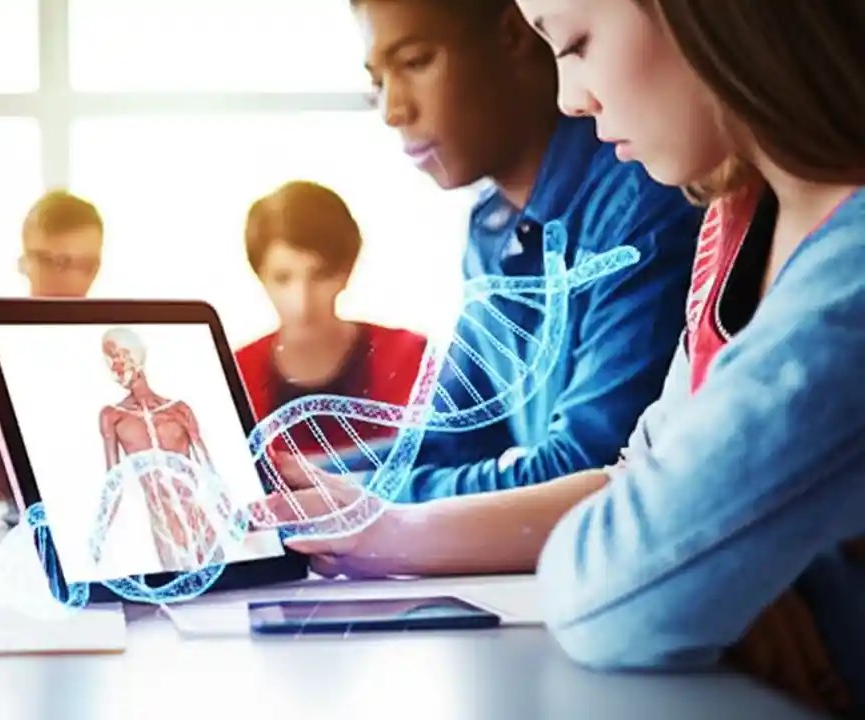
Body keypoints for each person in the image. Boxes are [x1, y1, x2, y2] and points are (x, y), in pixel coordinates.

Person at [264, 0, 865, 713]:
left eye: (574, 44)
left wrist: (684, 554)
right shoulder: (731, 226)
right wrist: (348, 511)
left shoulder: (824, 267)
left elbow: (614, 590)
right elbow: (634, 479)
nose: (567, 97)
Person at [286, 0, 702, 503]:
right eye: (378, 82)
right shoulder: (491, 232)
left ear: (515, 32)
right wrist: (280, 479)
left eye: (416, 62)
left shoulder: (639, 206)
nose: (393, 109)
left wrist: (343, 501)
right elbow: (454, 434)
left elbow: (581, 470)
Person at [234, 180, 428, 457]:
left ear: (346, 271)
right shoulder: (236, 375)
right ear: (260, 276)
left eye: (321, 275)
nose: (302, 302)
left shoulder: (411, 357)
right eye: (282, 278)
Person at [0, 189, 105, 447]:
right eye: (55, 262)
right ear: (24, 262)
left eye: (85, 265)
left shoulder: (114, 357)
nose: (70, 278)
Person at [91, 328, 238, 572]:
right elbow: (112, 483)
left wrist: (232, 518)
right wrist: (98, 536)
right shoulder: (112, 416)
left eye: (119, 355)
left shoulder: (179, 410)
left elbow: (208, 471)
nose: (115, 366)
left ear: (136, 354)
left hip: (200, 523)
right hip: (165, 532)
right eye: (109, 360)